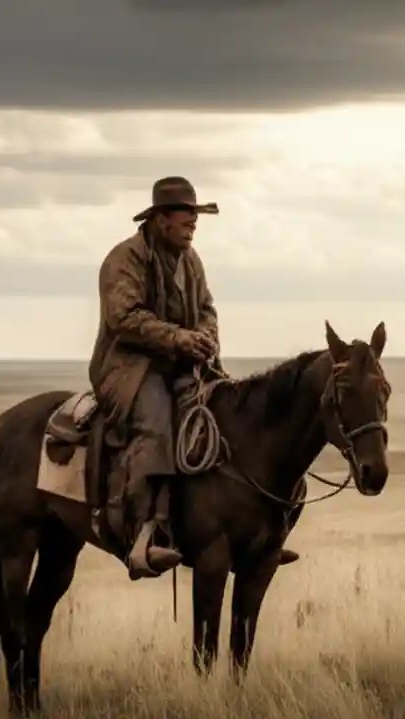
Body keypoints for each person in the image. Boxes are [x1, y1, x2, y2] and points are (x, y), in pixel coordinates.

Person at [89, 176, 297, 579]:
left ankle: (254, 530)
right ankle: (145, 534)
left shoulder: (190, 260)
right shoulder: (124, 259)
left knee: (227, 418)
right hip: (128, 370)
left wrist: (205, 337)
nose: (193, 224)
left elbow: (207, 309)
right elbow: (124, 318)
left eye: (195, 216)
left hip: (183, 365)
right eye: (187, 216)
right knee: (156, 427)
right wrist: (179, 338)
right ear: (161, 218)